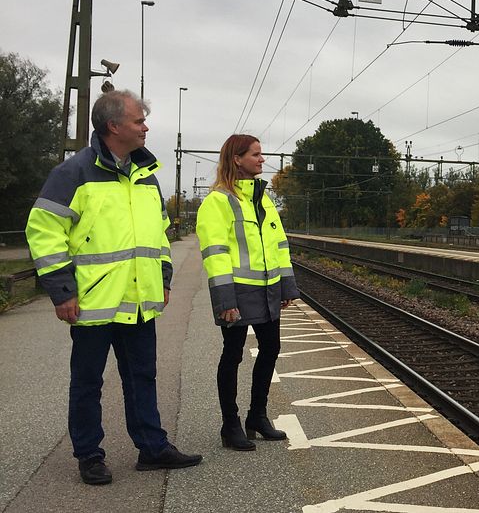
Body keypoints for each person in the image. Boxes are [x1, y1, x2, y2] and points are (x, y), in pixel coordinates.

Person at [25, 90, 202, 485]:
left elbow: (159, 235)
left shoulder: (146, 176)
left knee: (143, 377)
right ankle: (89, 455)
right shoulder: (73, 173)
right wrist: (62, 289)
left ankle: (153, 448)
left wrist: (164, 278)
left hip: (139, 301)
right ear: (113, 126)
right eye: (139, 121)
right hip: (92, 302)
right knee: (88, 382)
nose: (146, 127)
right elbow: (43, 230)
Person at [196, 134, 298, 451]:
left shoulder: (264, 199)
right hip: (237, 292)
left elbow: (279, 246)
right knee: (233, 355)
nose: (262, 159)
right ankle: (230, 424)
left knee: (271, 349)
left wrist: (286, 286)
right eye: (256, 154)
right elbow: (216, 253)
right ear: (237, 158)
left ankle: (257, 416)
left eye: (261, 153)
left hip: (267, 289)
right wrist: (225, 300)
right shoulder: (218, 201)